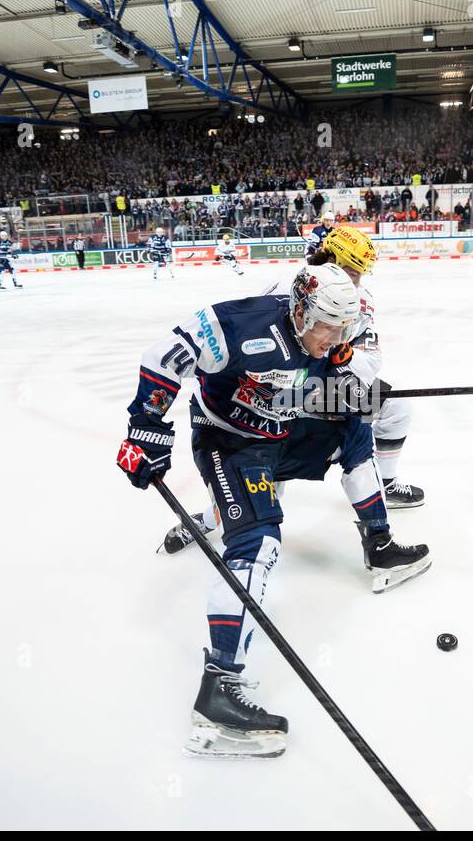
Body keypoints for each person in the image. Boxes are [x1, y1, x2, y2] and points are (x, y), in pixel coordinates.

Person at [116, 250, 429, 759]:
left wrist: (355, 395)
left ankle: (380, 544)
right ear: (302, 310)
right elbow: (165, 355)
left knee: (355, 429)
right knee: (257, 544)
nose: (335, 338)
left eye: (341, 329)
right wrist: (145, 430)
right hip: (231, 443)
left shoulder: (327, 340)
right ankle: (219, 687)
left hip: (280, 432)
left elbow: (305, 391)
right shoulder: (243, 325)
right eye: (328, 327)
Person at [159, 225, 426, 560]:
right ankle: (209, 520)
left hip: (322, 387)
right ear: (330, 258)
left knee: (393, 408)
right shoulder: (294, 288)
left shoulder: (360, 300)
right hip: (275, 395)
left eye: (361, 274)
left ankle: (383, 489)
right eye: (352, 271)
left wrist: (347, 363)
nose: (357, 281)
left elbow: (371, 360)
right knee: (265, 479)